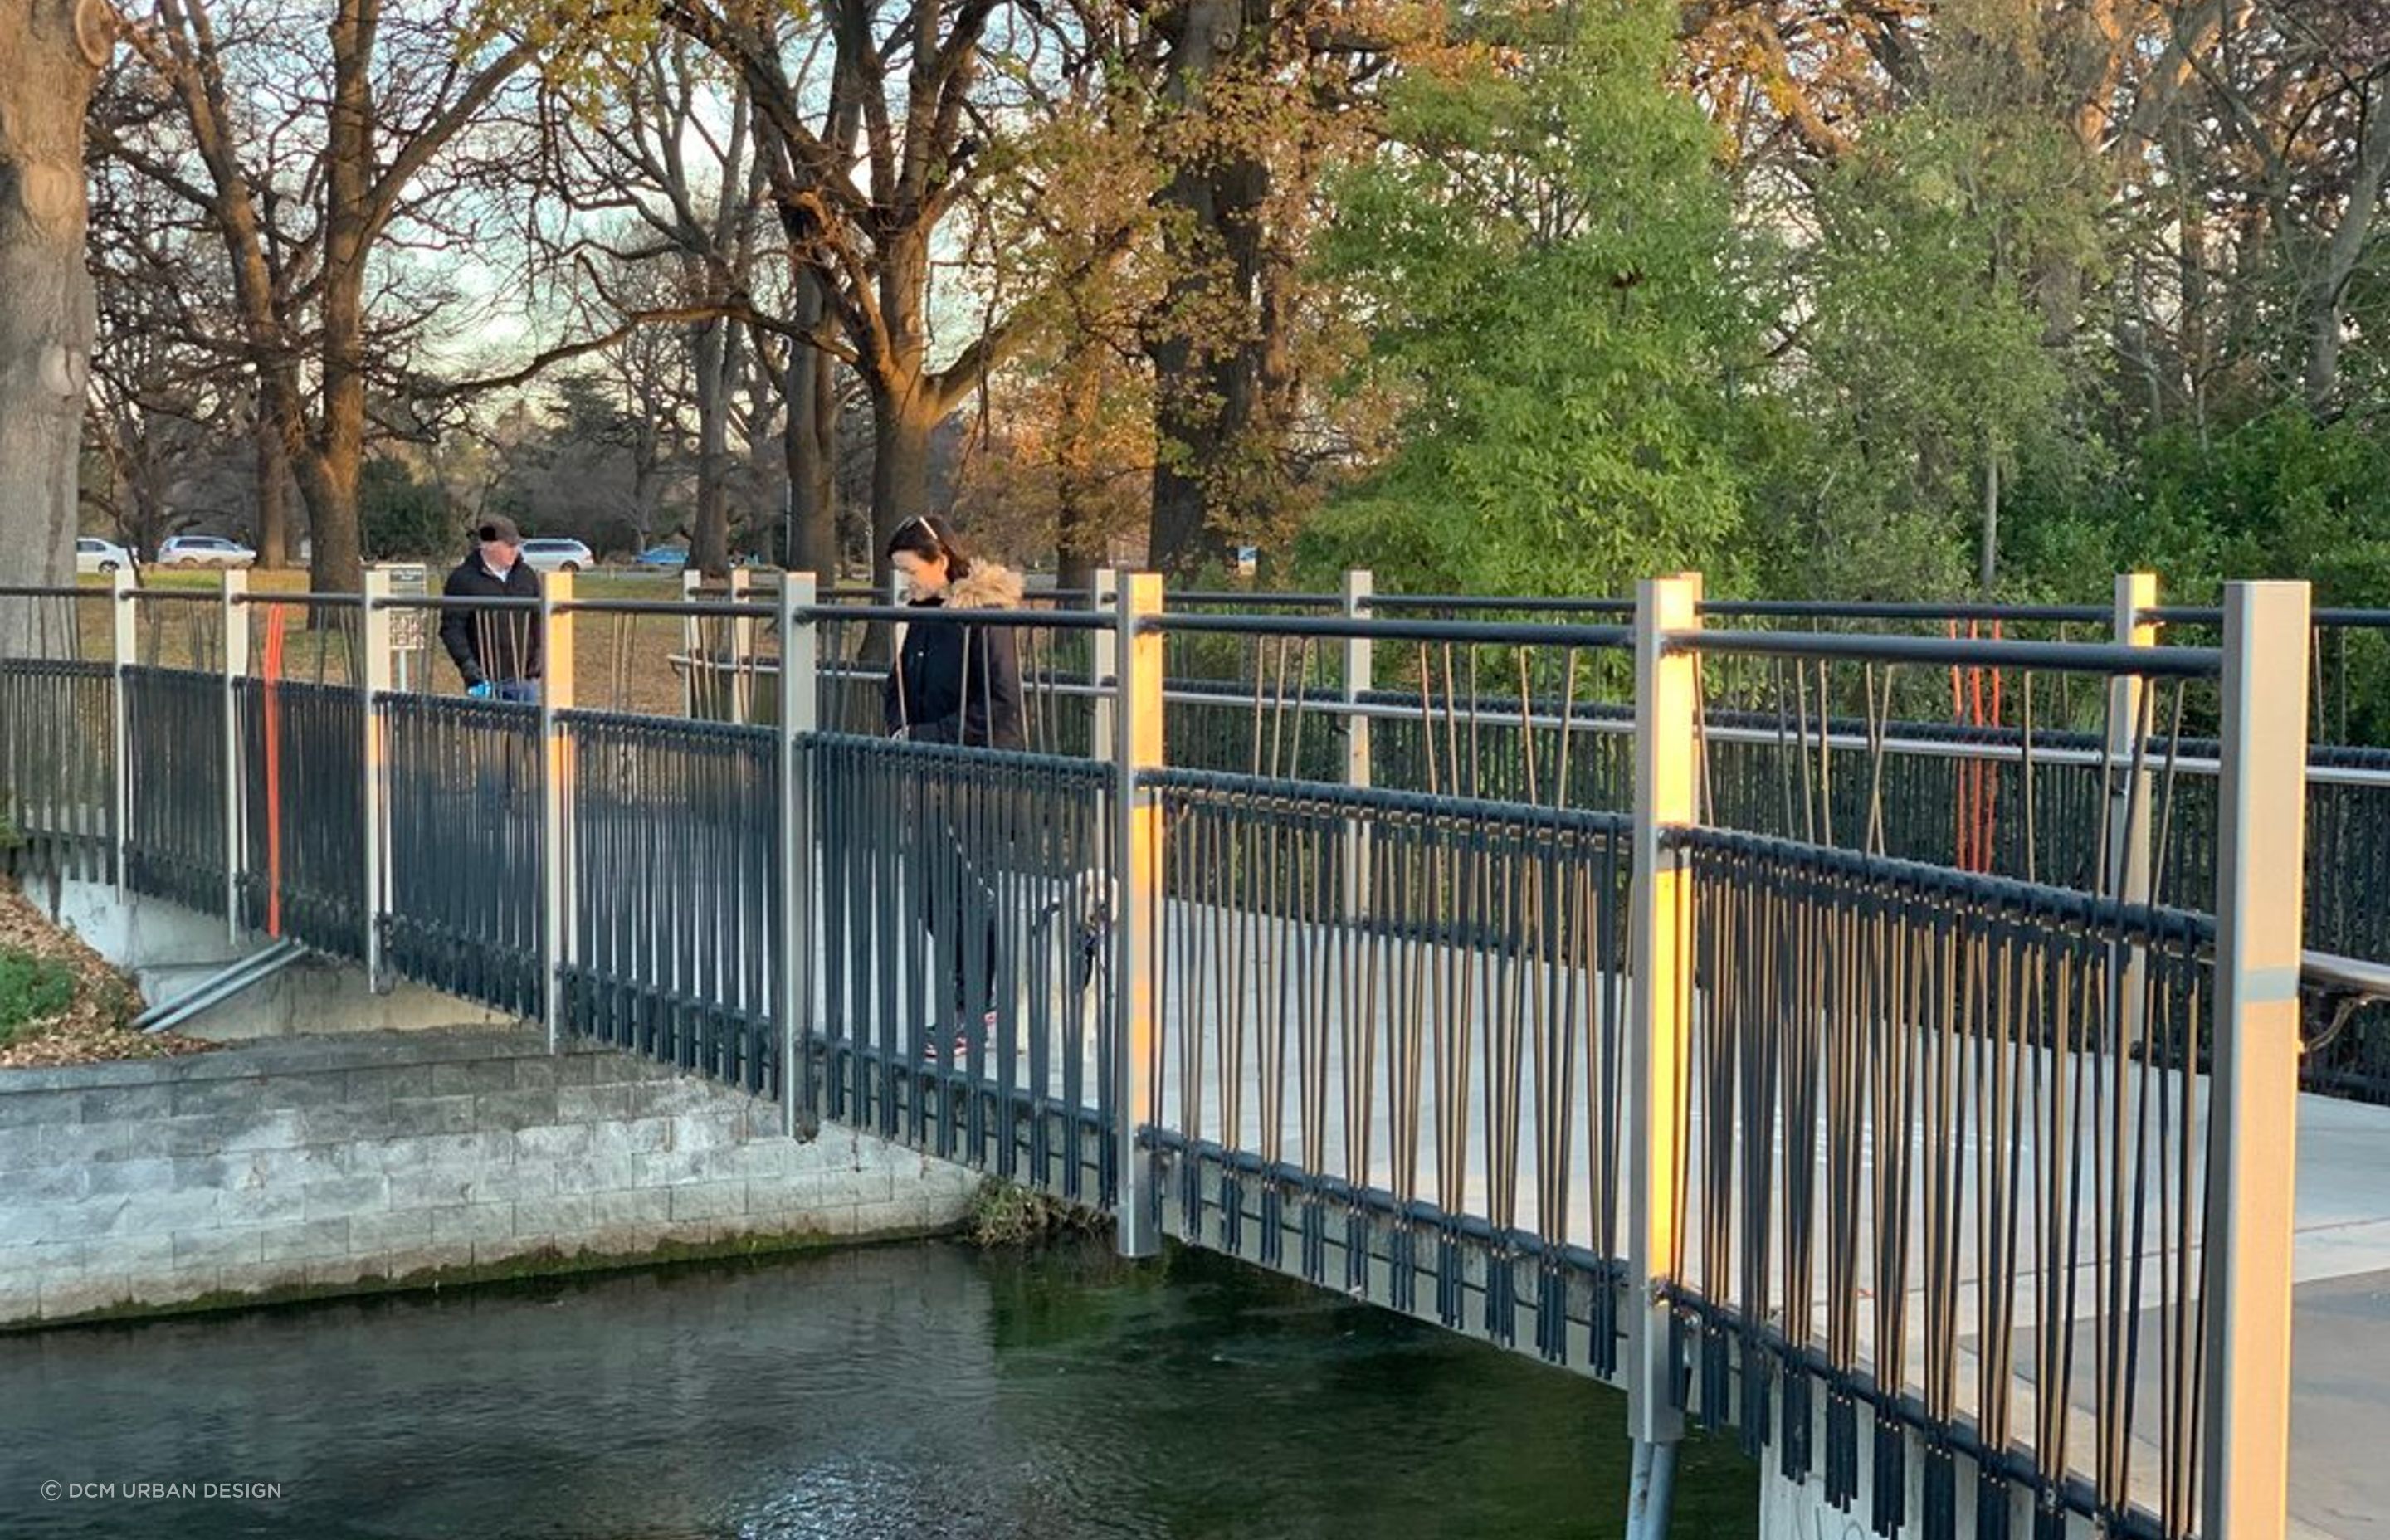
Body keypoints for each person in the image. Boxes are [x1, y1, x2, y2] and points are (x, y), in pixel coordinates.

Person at [880, 514, 1026, 1060]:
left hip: (977, 774)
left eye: (910, 571)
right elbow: (899, 680)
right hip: (930, 768)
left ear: (940, 561)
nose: (906, 583)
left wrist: (927, 733)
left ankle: (977, 1003)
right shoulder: (924, 615)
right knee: (929, 894)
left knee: (967, 890)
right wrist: (898, 721)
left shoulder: (983, 617)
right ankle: (973, 995)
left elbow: (1001, 706)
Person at [440, 517, 542, 702]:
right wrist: (467, 665)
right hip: (481, 679)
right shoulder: (462, 579)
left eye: (516, 546)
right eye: (509, 546)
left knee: (529, 728)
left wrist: (539, 653)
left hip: (524, 677)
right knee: (483, 727)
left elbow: (538, 618)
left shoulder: (527, 575)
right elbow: (452, 628)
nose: (515, 551)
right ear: (489, 545)